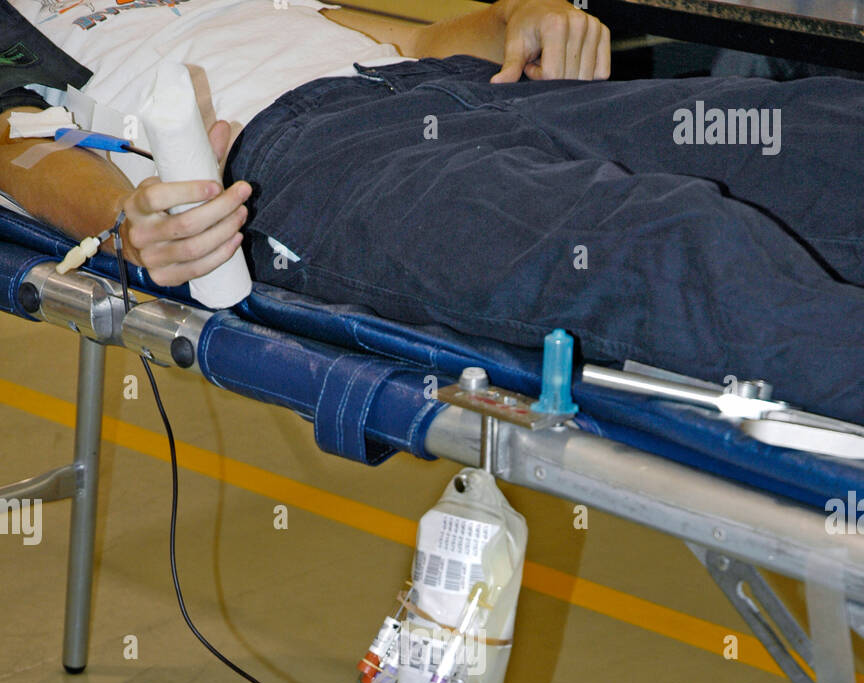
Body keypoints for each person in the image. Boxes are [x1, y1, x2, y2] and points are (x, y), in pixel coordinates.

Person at [0, 0, 861, 424]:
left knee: (822, 137)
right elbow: (20, 153)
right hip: (301, 165)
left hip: (455, 93)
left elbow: (412, 40)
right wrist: (129, 218)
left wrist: (519, 19)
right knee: (660, 247)